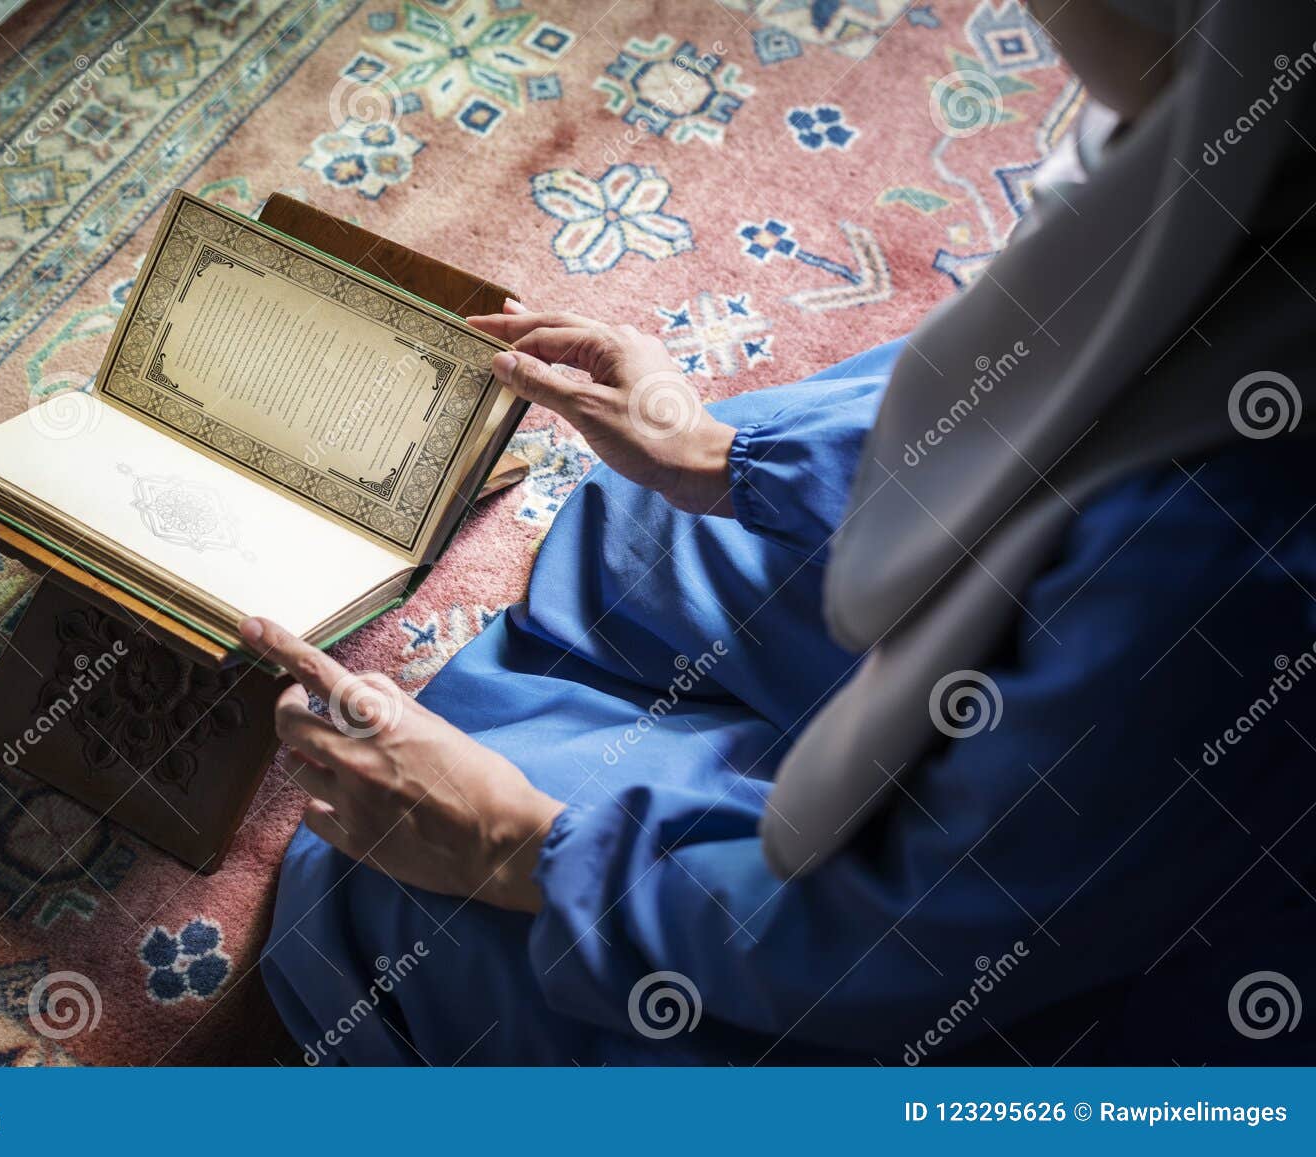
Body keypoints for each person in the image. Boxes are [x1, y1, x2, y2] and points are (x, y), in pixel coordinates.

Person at [250, 0, 1316, 1064]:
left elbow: (912, 943)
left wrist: (512, 843)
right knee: (645, 522)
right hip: (1091, 698)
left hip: (1079, 996)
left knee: (370, 893)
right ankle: (695, 777)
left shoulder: (1219, 540)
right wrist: (724, 462)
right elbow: (1039, 399)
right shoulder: (1247, 131)